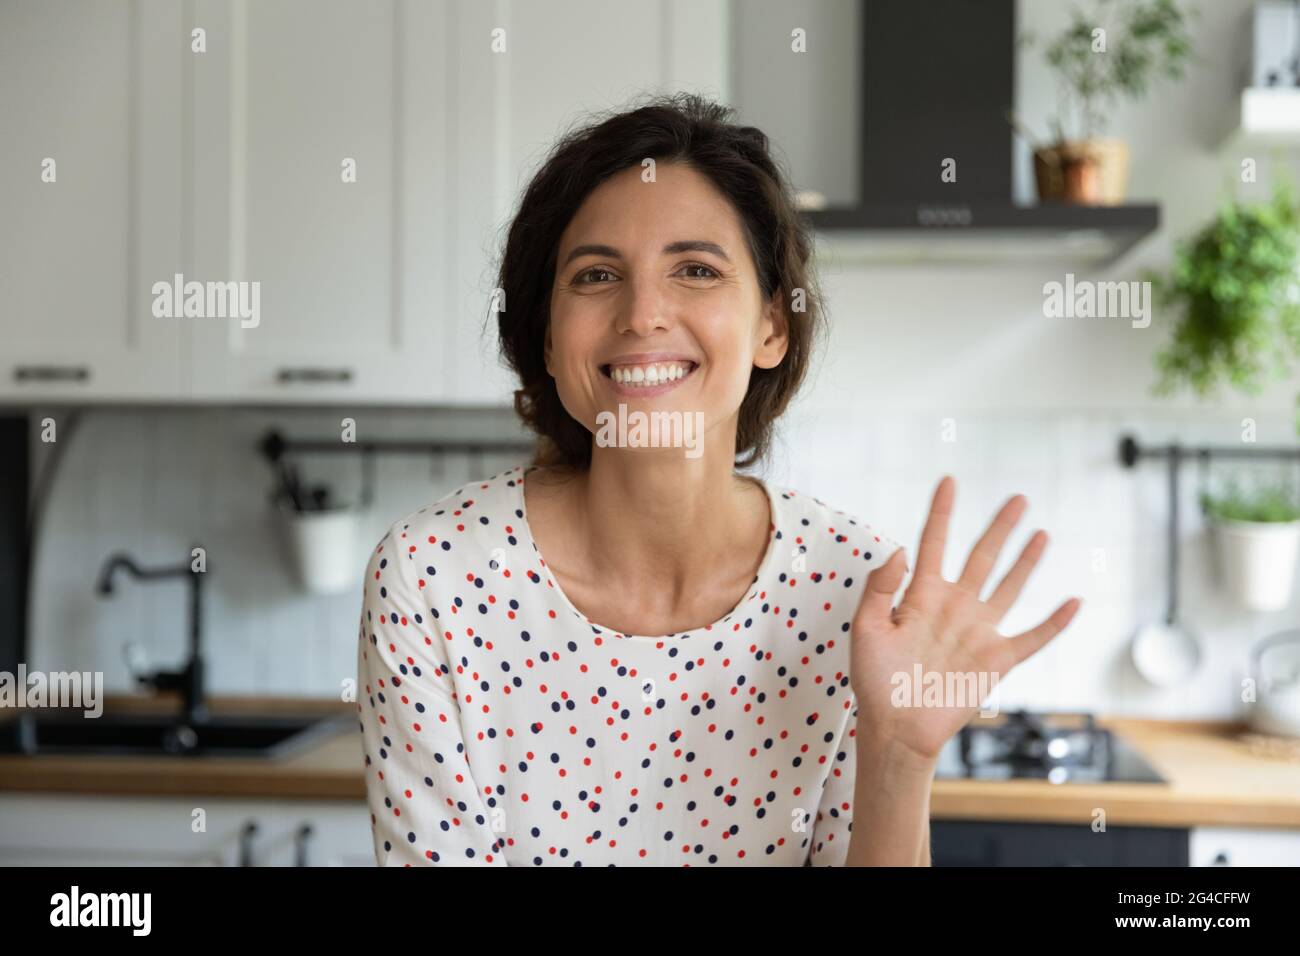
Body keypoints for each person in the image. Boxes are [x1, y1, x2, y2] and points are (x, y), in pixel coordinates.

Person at [355, 92, 1081, 866]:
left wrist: (900, 758)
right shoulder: (434, 576)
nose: (643, 314)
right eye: (596, 275)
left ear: (773, 325)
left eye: (696, 270)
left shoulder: (851, 590)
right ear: (546, 332)